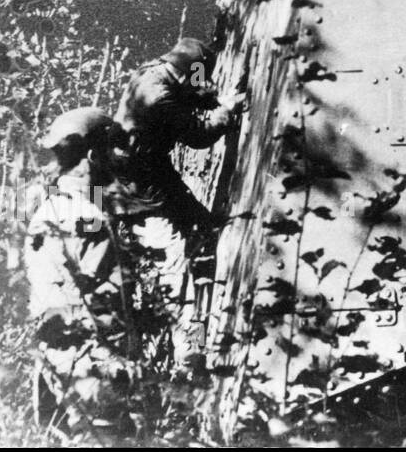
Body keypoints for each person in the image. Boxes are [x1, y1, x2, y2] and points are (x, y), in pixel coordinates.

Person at [26, 108, 134, 428]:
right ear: (92, 156)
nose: (118, 157)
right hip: (91, 366)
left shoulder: (48, 210)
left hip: (58, 360)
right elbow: (104, 300)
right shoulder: (90, 216)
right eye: (112, 149)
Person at [114, 38, 244, 300]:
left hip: (149, 168)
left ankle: (196, 292)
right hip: (142, 181)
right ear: (190, 71)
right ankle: (180, 306)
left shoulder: (153, 70)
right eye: (198, 75)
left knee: (201, 224)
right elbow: (198, 136)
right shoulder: (158, 96)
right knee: (177, 238)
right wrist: (225, 111)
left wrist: (215, 99)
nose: (200, 80)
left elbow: (193, 92)